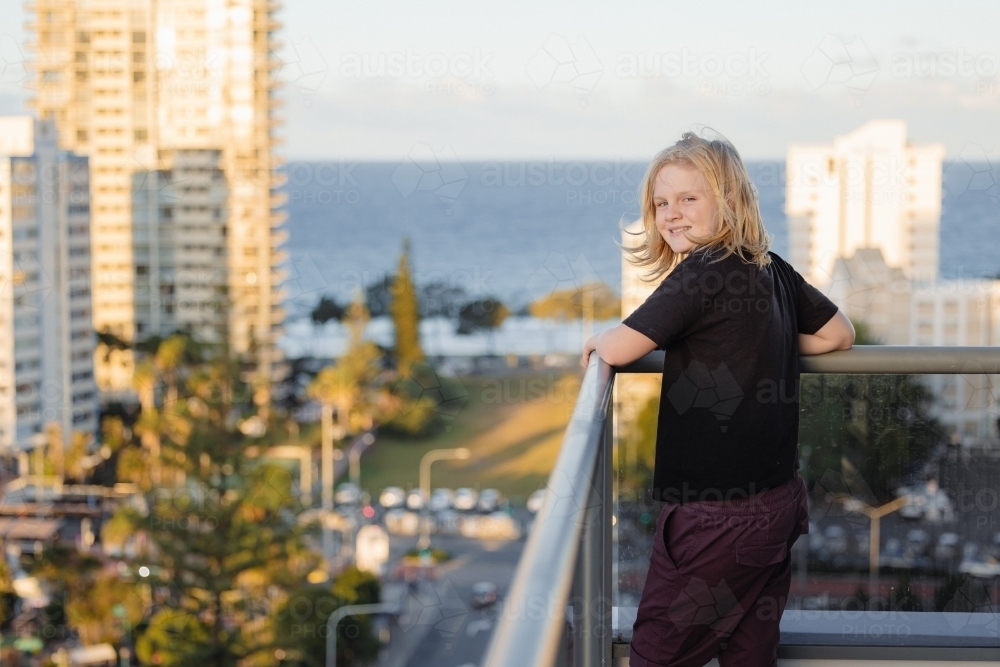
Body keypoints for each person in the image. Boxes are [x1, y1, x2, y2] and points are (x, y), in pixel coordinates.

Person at [581, 131, 855, 667]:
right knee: (748, 653)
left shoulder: (699, 274)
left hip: (715, 519)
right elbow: (837, 334)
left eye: (689, 198)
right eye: (661, 203)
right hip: (777, 503)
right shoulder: (768, 266)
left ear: (729, 201)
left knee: (657, 656)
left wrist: (594, 342)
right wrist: (764, 336)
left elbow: (620, 346)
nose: (671, 214)